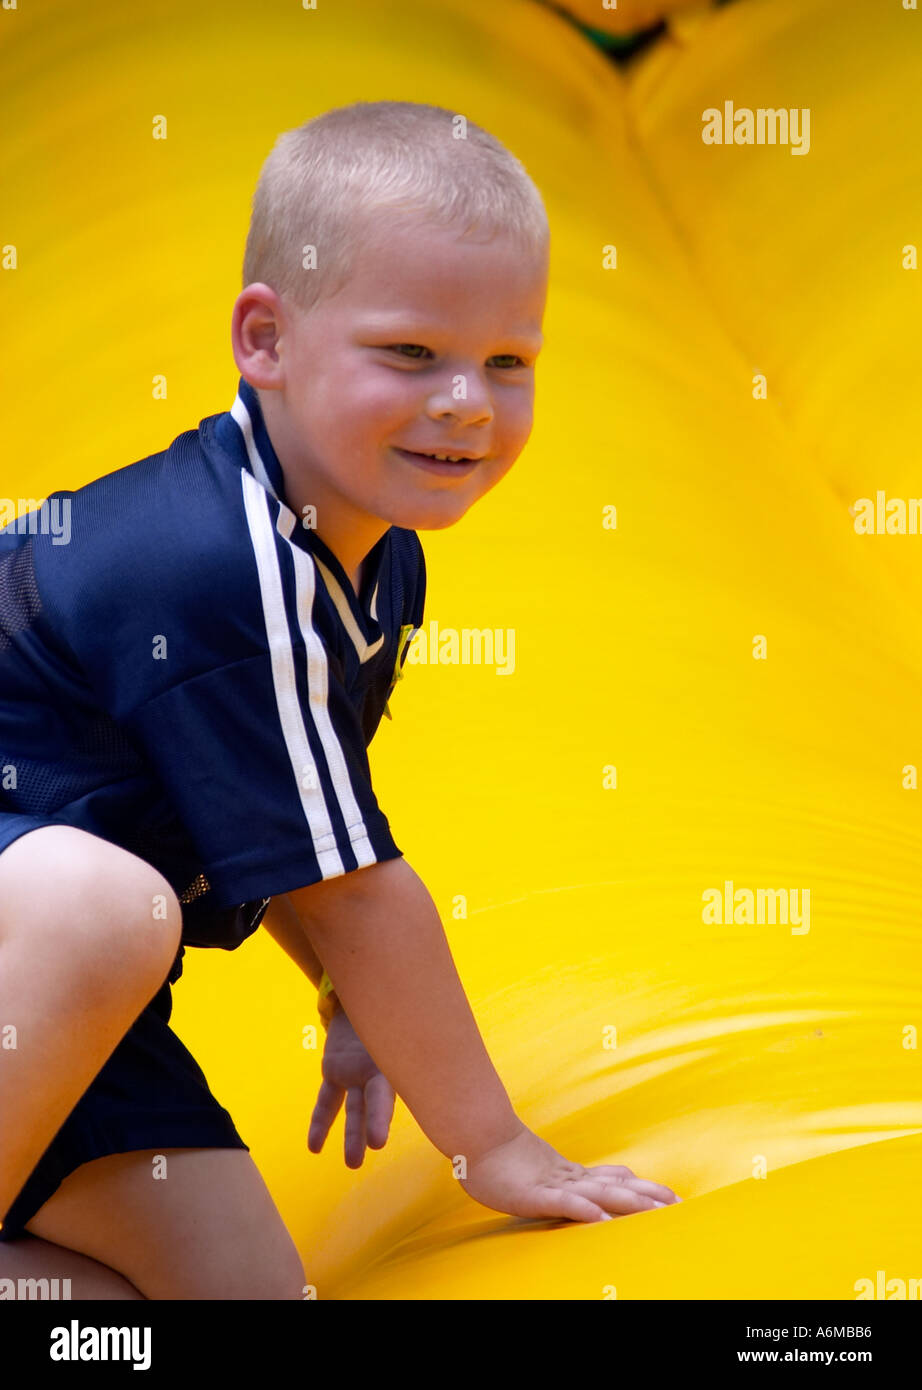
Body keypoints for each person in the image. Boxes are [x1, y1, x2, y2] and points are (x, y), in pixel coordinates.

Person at [0, 100, 679, 1301]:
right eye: (411, 353)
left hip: (46, 1016)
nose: (467, 400)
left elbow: (274, 827)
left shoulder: (374, 555)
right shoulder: (219, 560)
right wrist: (494, 1147)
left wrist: (344, 999)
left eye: (507, 362)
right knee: (98, 902)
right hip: (47, 940)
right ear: (264, 340)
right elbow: (357, 890)